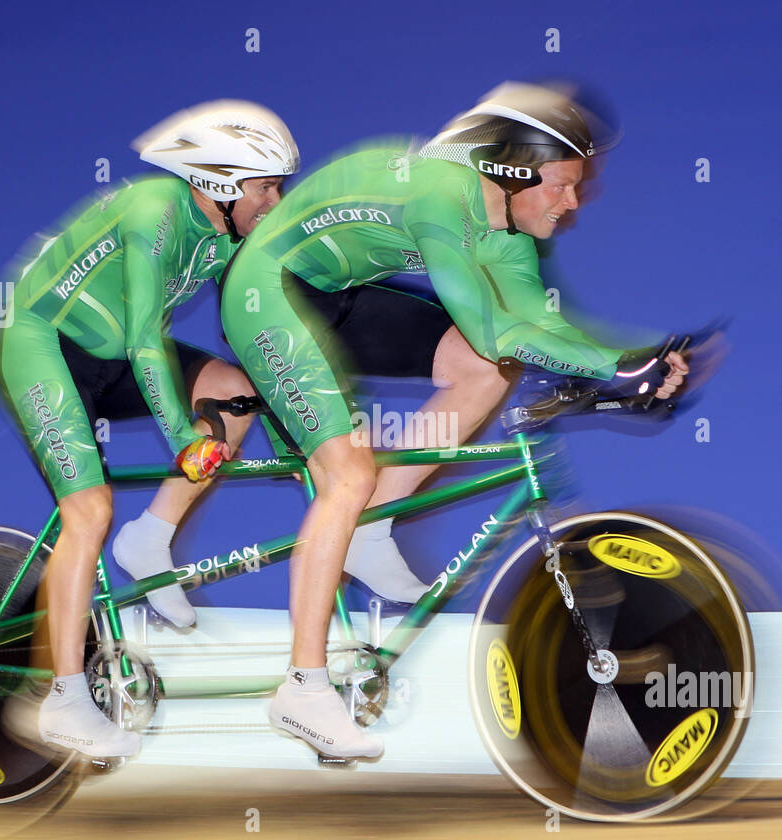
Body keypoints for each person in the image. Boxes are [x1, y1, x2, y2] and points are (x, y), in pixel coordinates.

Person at [219, 82, 689, 759]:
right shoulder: (442, 196)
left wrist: (626, 363)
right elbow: (492, 323)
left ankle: (372, 524)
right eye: (560, 185)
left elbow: (536, 328)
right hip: (267, 290)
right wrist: (612, 369)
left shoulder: (509, 238)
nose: (573, 202)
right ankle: (303, 686)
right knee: (346, 476)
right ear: (512, 171)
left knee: (484, 367)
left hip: (333, 293)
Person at [0, 101, 299, 758]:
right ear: (221, 184)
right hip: (46, 348)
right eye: (268, 186)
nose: (277, 200)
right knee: (89, 511)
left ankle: (151, 539)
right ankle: (63, 700)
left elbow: (264, 322)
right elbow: (142, 342)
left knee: (236, 393)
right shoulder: (154, 212)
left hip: (108, 357)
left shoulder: (227, 235)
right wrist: (184, 439)